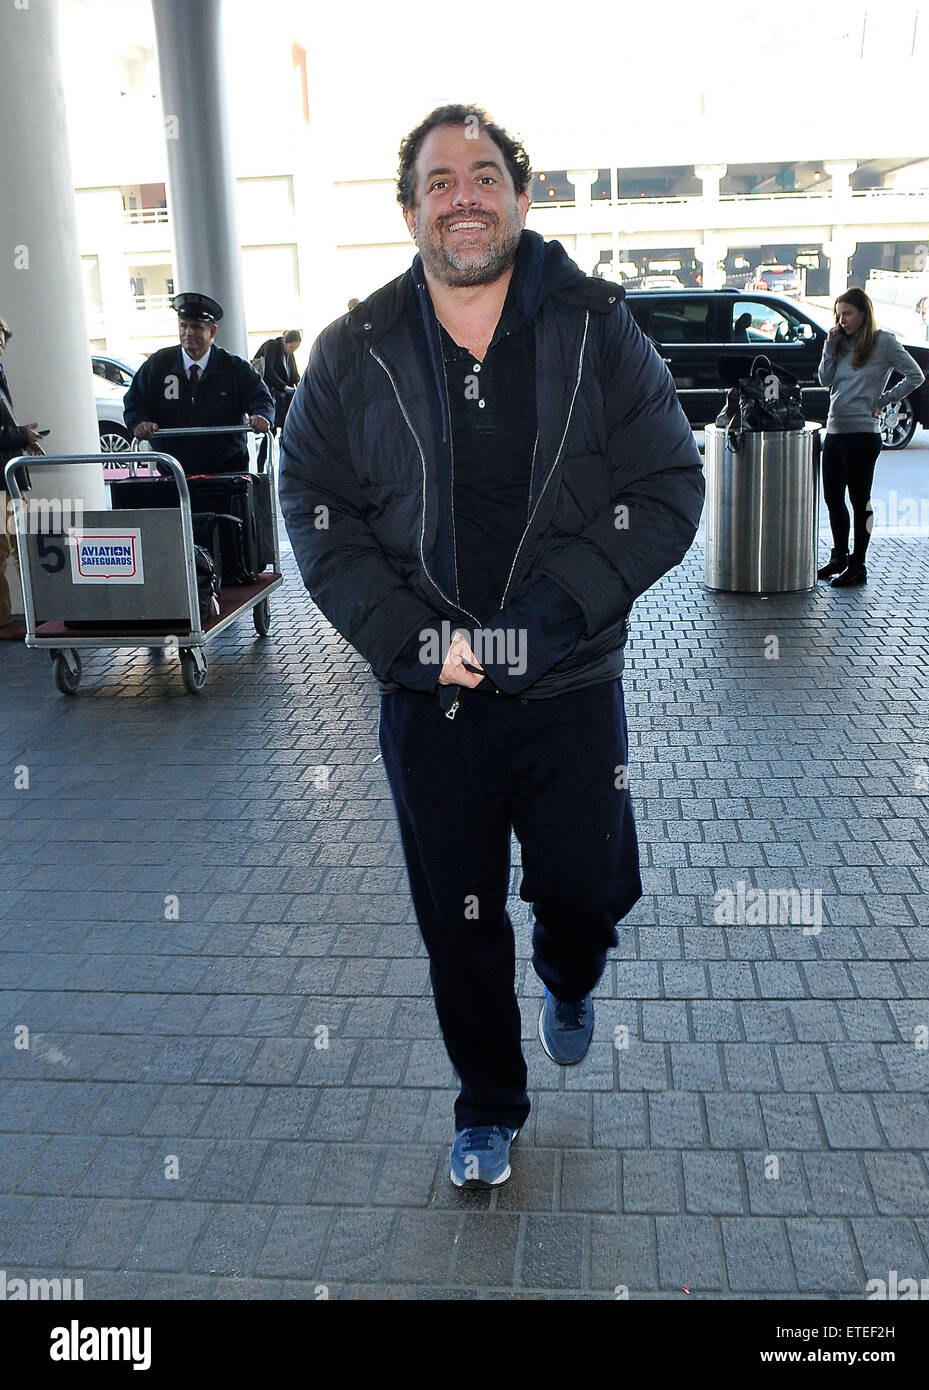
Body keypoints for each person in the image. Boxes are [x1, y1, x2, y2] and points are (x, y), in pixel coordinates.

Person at [279, 104, 704, 1190]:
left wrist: (548, 623)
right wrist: (419, 644)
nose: (461, 195)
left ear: (521, 193)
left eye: (483, 174)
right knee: (455, 910)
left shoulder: (599, 326)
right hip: (432, 701)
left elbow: (666, 487)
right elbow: (315, 508)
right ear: (411, 208)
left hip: (569, 680)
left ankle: (572, 969)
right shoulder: (353, 349)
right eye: (437, 180)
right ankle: (488, 1102)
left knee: (581, 888)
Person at [817, 287, 923, 587]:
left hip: (863, 433)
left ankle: (858, 564)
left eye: (848, 313)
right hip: (835, 430)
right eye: (839, 314)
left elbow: (915, 374)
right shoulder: (838, 343)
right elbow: (824, 379)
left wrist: (885, 399)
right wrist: (829, 347)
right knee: (832, 498)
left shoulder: (883, 342)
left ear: (864, 313)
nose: (842, 320)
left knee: (859, 500)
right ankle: (839, 555)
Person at [123, 293, 274, 474]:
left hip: (226, 472)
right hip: (173, 472)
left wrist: (261, 416)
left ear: (212, 331)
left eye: (196, 327)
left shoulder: (234, 367)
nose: (188, 332)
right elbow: (134, 400)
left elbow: (261, 398)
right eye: (183, 326)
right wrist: (138, 422)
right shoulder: (159, 364)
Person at [0, 314, 46, 641]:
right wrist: (20, 435)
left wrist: (23, 438)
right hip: (1, 484)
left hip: (11, 479)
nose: (0, 339)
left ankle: (40, 614)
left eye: (2, 333)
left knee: (25, 548)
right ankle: (4, 624)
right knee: (4, 552)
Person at [255, 330, 302, 430]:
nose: (292, 350)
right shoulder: (272, 346)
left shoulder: (288, 352)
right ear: (284, 341)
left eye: (295, 348)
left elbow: (294, 373)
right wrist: (283, 386)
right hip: (271, 390)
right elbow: (268, 370)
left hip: (280, 391)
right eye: (292, 347)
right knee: (274, 424)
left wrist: (300, 386)